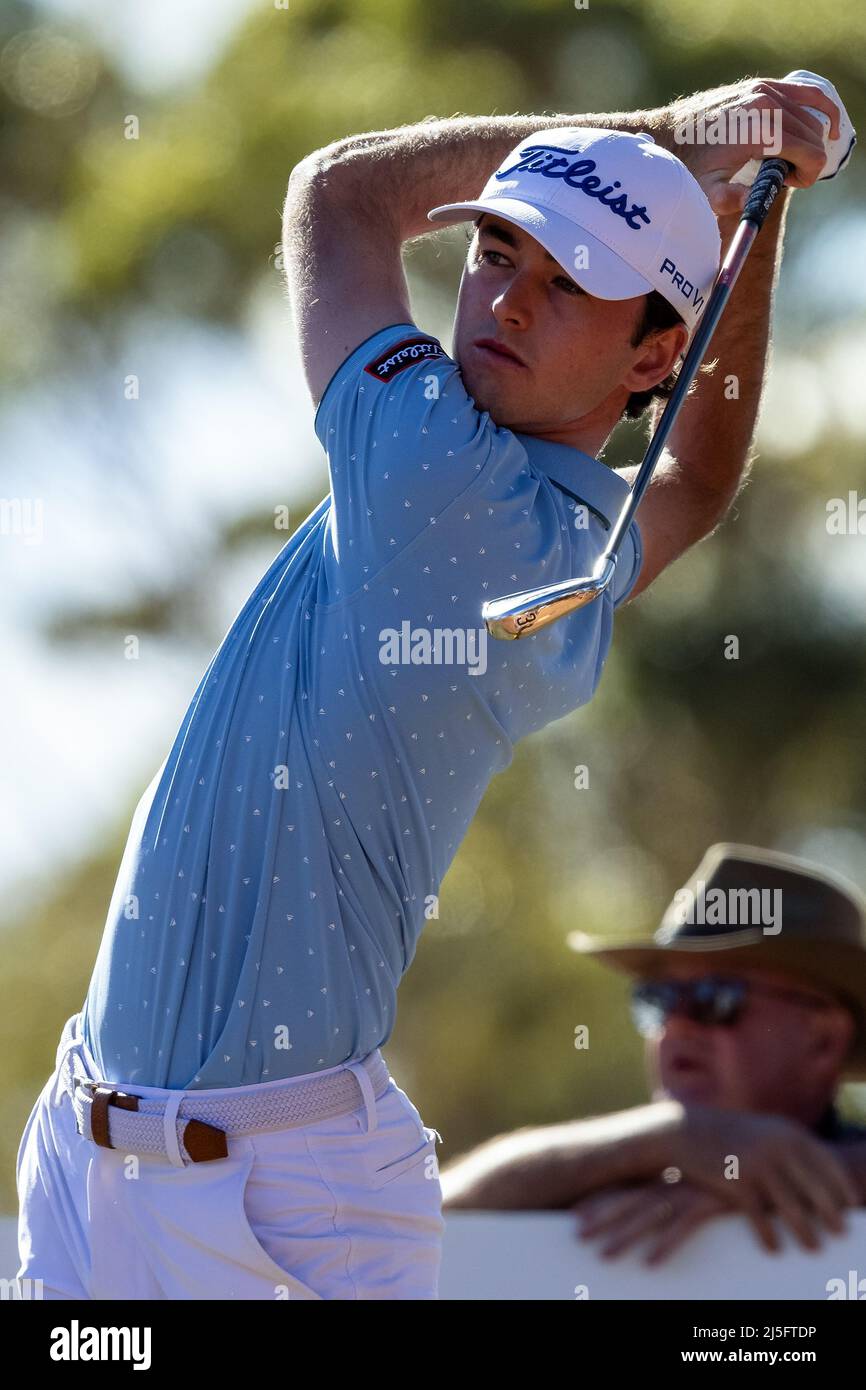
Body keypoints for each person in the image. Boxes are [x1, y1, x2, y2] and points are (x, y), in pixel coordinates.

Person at [16, 78, 841, 1300]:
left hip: (262, 1196)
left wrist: (678, 140)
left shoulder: (431, 474)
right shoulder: (577, 547)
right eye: (496, 251)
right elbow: (697, 479)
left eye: (567, 286)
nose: (505, 300)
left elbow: (338, 193)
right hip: (109, 1147)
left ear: (657, 351)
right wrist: (750, 220)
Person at [440, 844, 866, 1265]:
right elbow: (427, 1220)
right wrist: (667, 1137)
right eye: (658, 998)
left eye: (713, 998)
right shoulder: (610, 1181)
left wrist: (803, 1179)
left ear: (824, 1040)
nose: (676, 1025)